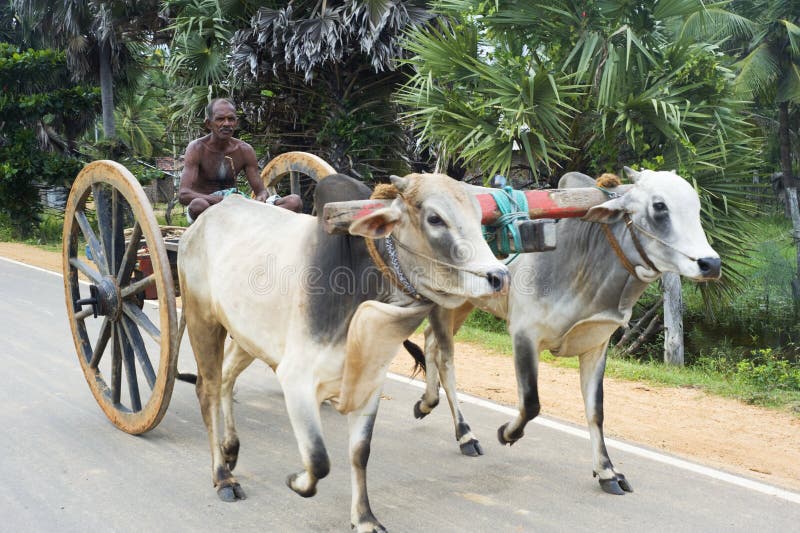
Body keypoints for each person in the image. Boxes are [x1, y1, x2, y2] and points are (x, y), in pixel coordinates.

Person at [178, 98, 302, 222]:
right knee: (198, 205)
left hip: (239, 206)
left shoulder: (244, 150)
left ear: (236, 123)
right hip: (210, 206)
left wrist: (260, 199)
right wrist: (223, 201)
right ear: (208, 124)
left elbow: (261, 192)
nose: (226, 123)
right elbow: (184, 195)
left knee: (294, 201)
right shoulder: (197, 148)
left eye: (231, 119)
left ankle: (255, 227)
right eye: (220, 119)